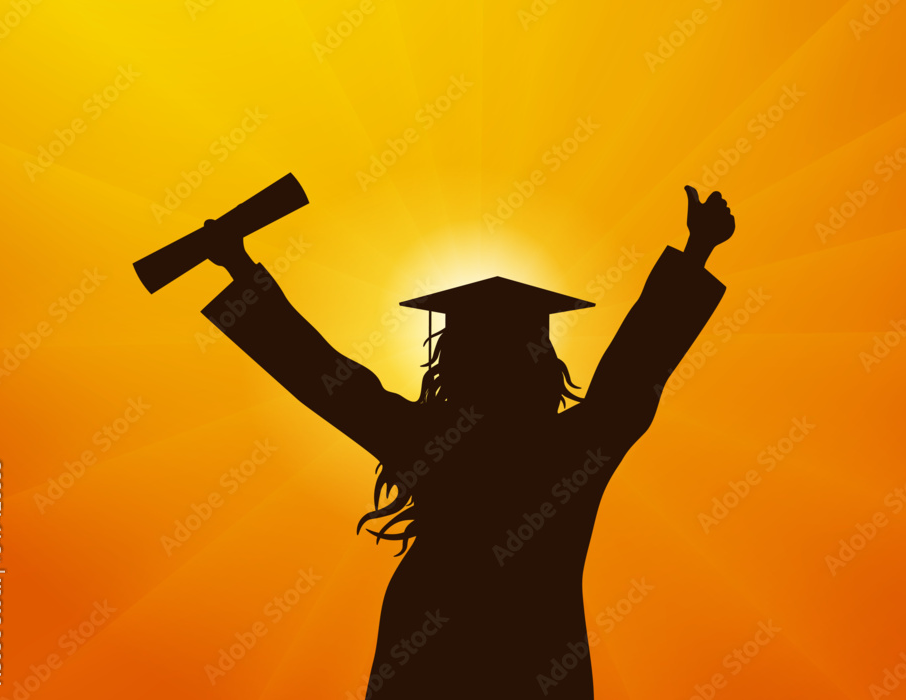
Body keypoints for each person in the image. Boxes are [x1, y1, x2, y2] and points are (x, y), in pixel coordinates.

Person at [200, 185, 734, 699]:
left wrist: (240, 269)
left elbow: (327, 378)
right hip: (534, 660)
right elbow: (633, 371)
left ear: (451, 364)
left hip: (435, 656)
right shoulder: (573, 449)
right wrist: (696, 252)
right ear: (543, 363)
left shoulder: (431, 442)